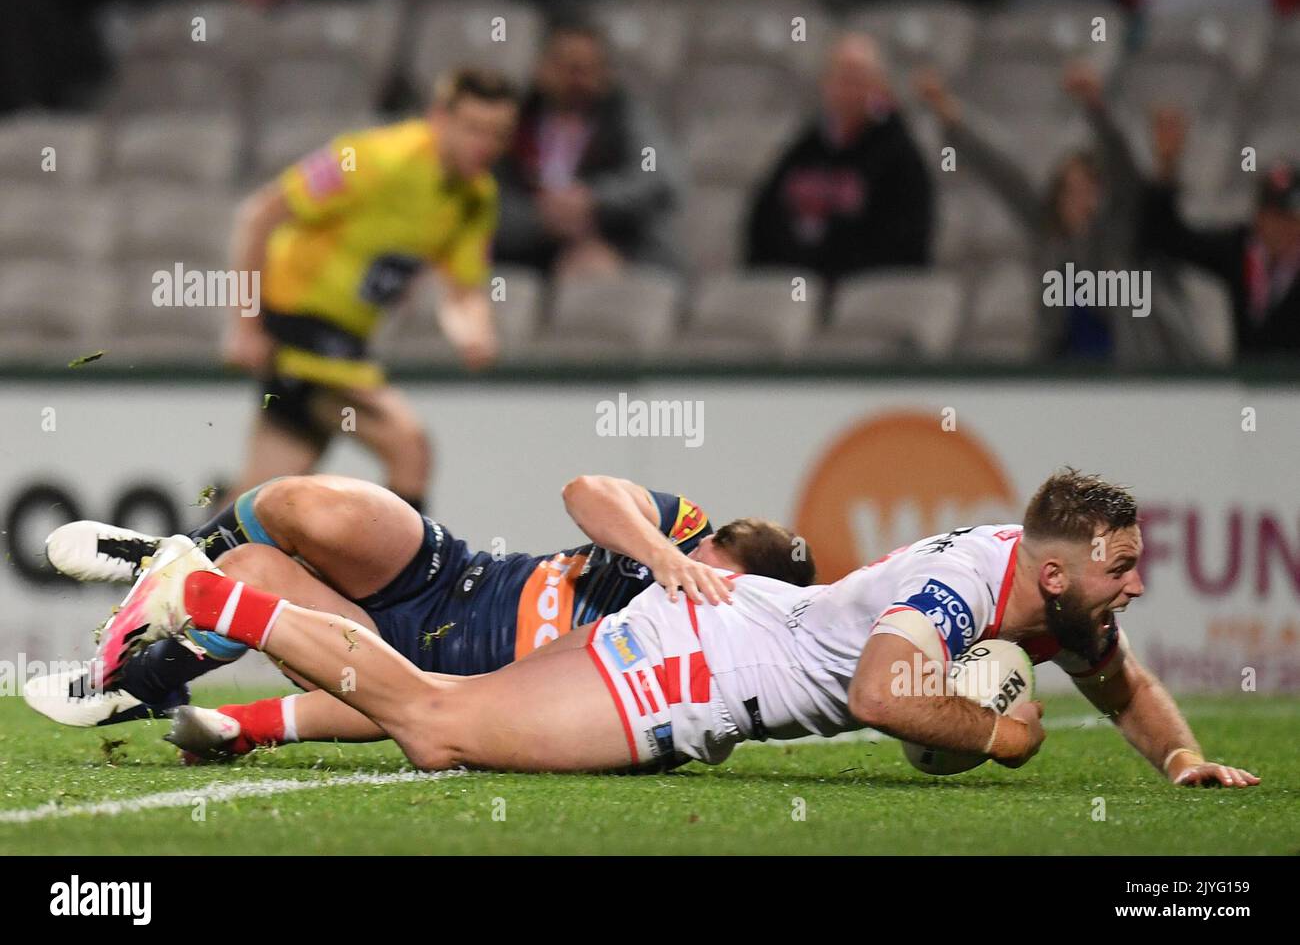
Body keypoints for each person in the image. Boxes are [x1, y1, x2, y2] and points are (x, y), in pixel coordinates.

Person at [123, 468, 1253, 787]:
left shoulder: (1048, 597)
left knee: (436, 714)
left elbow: (1128, 687)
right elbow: (877, 694)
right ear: (1051, 573)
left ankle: (226, 607)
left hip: (712, 637)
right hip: (704, 663)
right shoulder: (964, 586)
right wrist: (1004, 735)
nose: (1136, 583)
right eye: (1120, 567)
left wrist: (1183, 753)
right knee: (435, 725)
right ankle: (212, 593)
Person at [32, 475, 814, 746]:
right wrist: (666, 554)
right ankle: (171, 559)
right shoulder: (679, 539)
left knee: (249, 575)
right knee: (310, 506)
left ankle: (141, 682)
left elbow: (415, 717)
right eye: (706, 558)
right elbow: (585, 491)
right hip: (453, 575)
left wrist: (251, 724)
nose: (699, 574)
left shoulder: (688, 675)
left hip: (412, 669)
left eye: (717, 576)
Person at [221, 68, 518, 515]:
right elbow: (259, 216)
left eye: (498, 135)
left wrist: (473, 333)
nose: (485, 145)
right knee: (409, 449)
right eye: (474, 129)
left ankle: (182, 570)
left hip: (346, 342)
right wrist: (245, 325)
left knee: (261, 502)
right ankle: (407, 582)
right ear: (439, 117)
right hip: (297, 326)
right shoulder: (374, 159)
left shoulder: (477, 196)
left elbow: (462, 290)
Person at [915, 61, 1204, 365]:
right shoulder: (1049, 237)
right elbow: (1006, 174)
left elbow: (1122, 169)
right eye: (1071, 191)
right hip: (1065, 379)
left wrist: (1096, 108)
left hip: (1127, 375)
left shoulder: (1119, 239)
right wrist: (946, 111)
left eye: (1090, 191)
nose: (1080, 201)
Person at [492, 19, 682, 276]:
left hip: (616, 245)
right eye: (567, 67)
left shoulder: (626, 119)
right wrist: (539, 217)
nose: (577, 79)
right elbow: (486, 192)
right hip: (525, 250)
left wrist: (593, 199)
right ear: (541, 68)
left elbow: (658, 178)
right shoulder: (513, 123)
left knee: (589, 271)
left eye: (587, 69)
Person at [745, 33, 933, 286]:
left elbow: (904, 249)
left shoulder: (900, 158)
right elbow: (763, 225)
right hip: (797, 290)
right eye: (842, 78)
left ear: (880, 87)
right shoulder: (804, 149)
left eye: (859, 79)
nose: (849, 89)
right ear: (826, 83)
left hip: (863, 295)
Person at [1145, 108, 1300, 358]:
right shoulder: (1241, 249)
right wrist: (1167, 167)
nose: (1285, 229)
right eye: (1276, 218)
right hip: (1248, 389)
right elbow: (1170, 239)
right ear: (1260, 217)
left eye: (1291, 220)